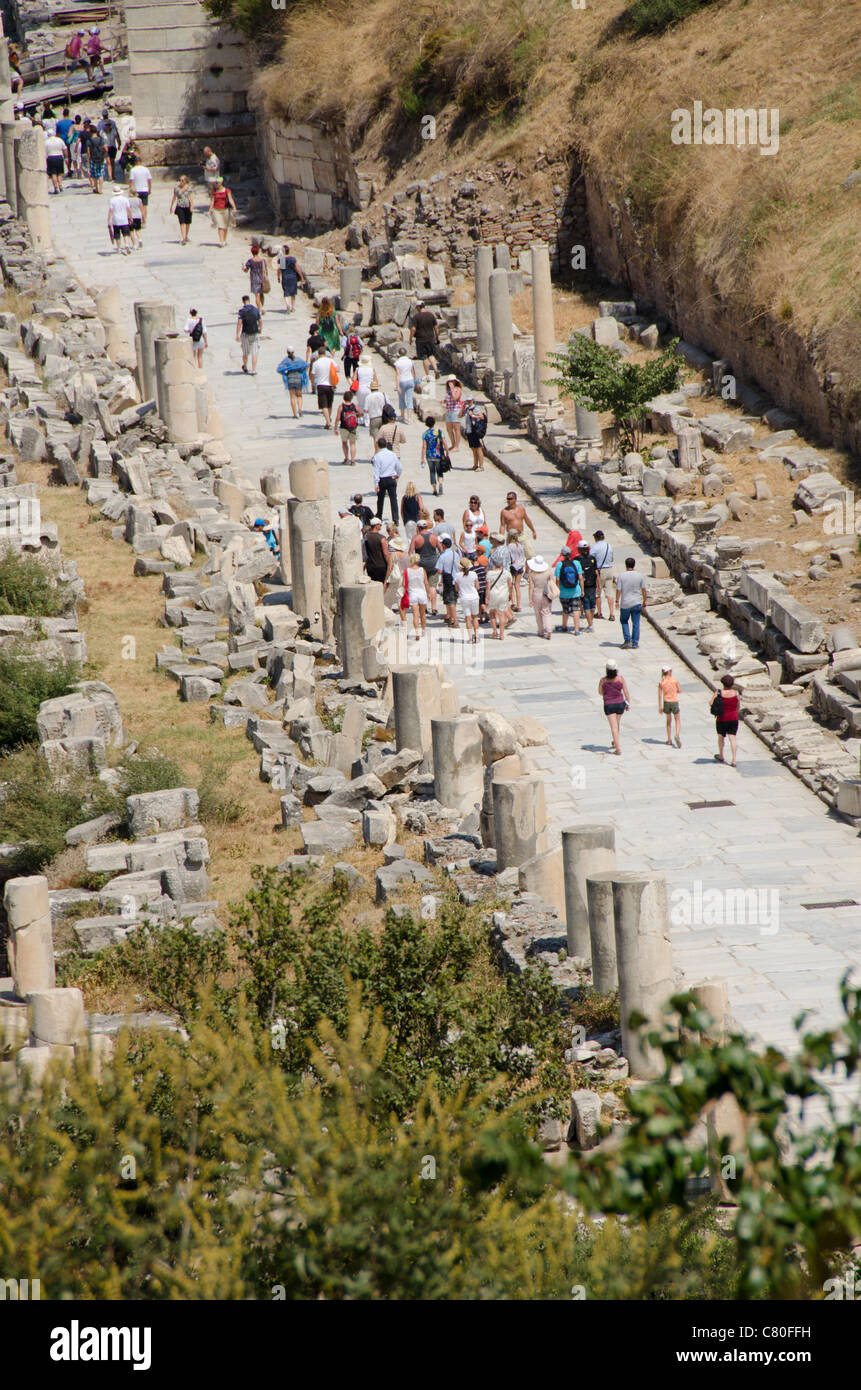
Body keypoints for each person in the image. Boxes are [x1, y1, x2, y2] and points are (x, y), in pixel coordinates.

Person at [410, 519, 441, 616]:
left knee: (423, 586)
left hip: (421, 565)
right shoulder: (434, 537)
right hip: (433, 564)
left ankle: (424, 607)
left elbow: (410, 552)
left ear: (418, 527)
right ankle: (434, 607)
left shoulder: (416, 538)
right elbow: (440, 550)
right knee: (432, 586)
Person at [598, 663, 630, 756]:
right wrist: (628, 703)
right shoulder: (620, 678)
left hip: (609, 704)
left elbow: (600, 692)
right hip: (620, 704)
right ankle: (615, 741)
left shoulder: (603, 680)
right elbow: (626, 693)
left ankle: (618, 748)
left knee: (613, 727)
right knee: (617, 724)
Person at [616, 556, 647, 649]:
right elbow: (643, 589)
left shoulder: (621, 576)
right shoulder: (639, 575)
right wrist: (644, 600)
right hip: (637, 602)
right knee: (636, 623)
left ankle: (627, 639)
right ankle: (635, 643)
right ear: (634, 565)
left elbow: (618, 590)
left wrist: (617, 600)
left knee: (624, 621)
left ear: (626, 565)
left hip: (625, 603)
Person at [486, 539, 513, 641]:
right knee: (501, 614)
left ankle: (494, 632)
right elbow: (510, 585)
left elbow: (488, 587)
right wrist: (510, 595)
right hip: (503, 595)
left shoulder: (490, 573)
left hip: (493, 594)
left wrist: (487, 598)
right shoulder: (506, 573)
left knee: (492, 613)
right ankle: (502, 634)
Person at [500, 490, 537, 560]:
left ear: (515, 499)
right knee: (511, 557)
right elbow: (502, 525)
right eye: (507, 499)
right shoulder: (504, 512)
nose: (508, 500)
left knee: (530, 555)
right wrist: (501, 537)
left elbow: (527, 520)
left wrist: (533, 531)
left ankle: (528, 570)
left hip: (521, 535)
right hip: (511, 537)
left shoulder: (521, 509)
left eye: (510, 499)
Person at [554, 545, 582, 634]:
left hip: (563, 591)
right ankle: (577, 630)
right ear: (571, 554)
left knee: (565, 609)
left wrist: (557, 590)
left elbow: (557, 579)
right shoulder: (576, 563)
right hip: (575, 591)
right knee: (576, 609)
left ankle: (564, 626)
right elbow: (580, 577)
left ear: (562, 554)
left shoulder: (559, 564)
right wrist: (583, 590)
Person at [713, 674, 739, 768]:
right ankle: (734, 759)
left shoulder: (719, 692)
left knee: (721, 737)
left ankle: (721, 755)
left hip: (722, 719)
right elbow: (738, 706)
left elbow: (711, 703)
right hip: (733, 718)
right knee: (732, 738)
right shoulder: (736, 693)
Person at [373, 438, 402, 523]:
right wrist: (398, 475)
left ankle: (379, 515)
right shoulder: (392, 454)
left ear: (378, 445)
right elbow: (399, 467)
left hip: (382, 479)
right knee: (393, 499)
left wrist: (376, 483)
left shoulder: (377, 456)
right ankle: (395, 518)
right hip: (391, 478)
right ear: (386, 444)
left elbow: (376, 471)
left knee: (380, 499)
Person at [436, 535, 461, 629]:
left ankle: (455, 621)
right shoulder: (456, 554)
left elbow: (439, 570)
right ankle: (450, 617)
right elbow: (460, 566)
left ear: (443, 545)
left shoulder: (443, 556)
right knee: (452, 599)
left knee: (450, 601)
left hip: (448, 580)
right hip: (456, 579)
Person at [409, 300, 439, 379]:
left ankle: (428, 375)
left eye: (416, 307)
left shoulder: (416, 317)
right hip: (430, 339)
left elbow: (413, 329)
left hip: (420, 340)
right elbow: (436, 328)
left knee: (424, 358)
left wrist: (410, 338)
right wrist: (437, 337)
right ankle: (436, 369)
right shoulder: (431, 315)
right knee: (431, 355)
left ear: (418, 307)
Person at [527, 555, 554, 640]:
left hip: (536, 594)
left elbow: (531, 587)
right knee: (547, 612)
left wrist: (530, 599)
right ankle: (549, 630)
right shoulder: (548, 572)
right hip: (547, 594)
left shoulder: (532, 574)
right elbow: (552, 582)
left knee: (538, 613)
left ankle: (541, 631)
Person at [276, 347, 308, 418]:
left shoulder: (285, 360)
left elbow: (279, 369)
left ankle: (294, 414)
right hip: (298, 378)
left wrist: (285, 373)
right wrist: (302, 372)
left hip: (290, 378)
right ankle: (300, 409)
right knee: (299, 396)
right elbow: (306, 365)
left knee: (292, 397)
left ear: (287, 352)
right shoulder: (298, 360)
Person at [455, 558, 480, 643]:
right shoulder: (473, 574)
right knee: (475, 617)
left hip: (464, 598)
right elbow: (477, 587)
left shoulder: (457, 575)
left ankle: (470, 638)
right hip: (474, 597)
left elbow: (457, 589)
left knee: (468, 618)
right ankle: (477, 636)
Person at [310, 348, 337, 427]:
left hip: (321, 385)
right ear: (325, 353)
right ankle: (329, 419)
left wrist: (312, 383)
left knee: (324, 405)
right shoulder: (330, 361)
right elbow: (337, 368)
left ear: (318, 354)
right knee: (329, 404)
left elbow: (312, 375)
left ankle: (328, 422)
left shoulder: (316, 363)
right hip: (330, 385)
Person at [592, 530, 616, 620]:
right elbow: (612, 559)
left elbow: (591, 559)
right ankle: (611, 614)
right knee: (609, 592)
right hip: (609, 570)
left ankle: (599, 612)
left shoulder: (595, 548)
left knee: (598, 592)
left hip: (600, 571)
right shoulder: (608, 546)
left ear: (596, 538)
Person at [405, 551, 429, 638]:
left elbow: (405, 584)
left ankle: (416, 633)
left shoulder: (407, 570)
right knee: (422, 614)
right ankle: (423, 630)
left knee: (415, 615)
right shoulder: (422, 570)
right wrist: (429, 593)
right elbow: (426, 583)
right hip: (422, 593)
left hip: (412, 593)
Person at [420, 415, 446, 496]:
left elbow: (424, 446)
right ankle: (440, 484)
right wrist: (447, 451)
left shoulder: (425, 434)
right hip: (438, 454)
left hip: (429, 455)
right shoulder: (439, 431)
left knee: (432, 472)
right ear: (434, 423)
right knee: (439, 471)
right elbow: (444, 442)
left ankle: (434, 489)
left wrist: (422, 458)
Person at [333, 390, 360, 465]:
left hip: (344, 427)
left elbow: (338, 418)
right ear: (351, 398)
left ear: (343, 397)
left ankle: (346, 458)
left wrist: (335, 428)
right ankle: (353, 461)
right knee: (352, 444)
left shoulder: (341, 406)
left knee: (344, 443)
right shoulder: (355, 406)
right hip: (353, 427)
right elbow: (360, 414)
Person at [236, 295, 261, 374]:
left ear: (243, 301)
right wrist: (260, 329)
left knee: (245, 352)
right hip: (254, 333)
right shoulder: (255, 310)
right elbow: (260, 321)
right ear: (249, 300)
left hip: (245, 334)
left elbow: (239, 324)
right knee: (255, 352)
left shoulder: (242, 311)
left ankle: (245, 366)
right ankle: (253, 370)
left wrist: (237, 334)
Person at [277, 243, 305, 312]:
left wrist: (278, 277)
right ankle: (292, 307)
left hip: (285, 277)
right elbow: (297, 268)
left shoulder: (282, 260)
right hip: (293, 277)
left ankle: (287, 305)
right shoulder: (293, 259)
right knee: (293, 293)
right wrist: (301, 277)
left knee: (286, 292)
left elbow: (280, 269)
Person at [658, 665, 682, 748]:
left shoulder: (661, 682)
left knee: (668, 721)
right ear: (669, 672)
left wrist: (660, 707)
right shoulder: (674, 680)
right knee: (677, 719)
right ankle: (677, 735)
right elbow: (679, 690)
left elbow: (659, 695)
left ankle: (669, 740)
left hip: (666, 702)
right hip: (674, 701)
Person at [363, 517, 391, 586]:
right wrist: (390, 564)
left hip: (370, 566)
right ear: (376, 526)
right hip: (381, 566)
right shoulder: (382, 538)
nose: (381, 526)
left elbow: (365, 551)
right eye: (380, 525)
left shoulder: (366, 536)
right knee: (381, 586)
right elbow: (386, 554)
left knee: (372, 586)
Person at [577, 542, 598, 633]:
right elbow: (596, 572)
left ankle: (590, 625)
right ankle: (591, 622)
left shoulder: (577, 560)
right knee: (592, 605)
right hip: (593, 584)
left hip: (583, 586)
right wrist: (599, 585)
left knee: (586, 605)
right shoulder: (592, 558)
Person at [209, 176, 236, 246]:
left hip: (225, 209)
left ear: (221, 183)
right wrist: (210, 209)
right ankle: (221, 241)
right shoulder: (214, 192)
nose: (217, 184)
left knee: (225, 226)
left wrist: (234, 207)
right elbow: (212, 201)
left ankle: (224, 240)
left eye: (218, 183)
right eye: (216, 183)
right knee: (220, 225)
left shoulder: (227, 190)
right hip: (216, 210)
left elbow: (230, 199)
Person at [462, 398, 487, 470]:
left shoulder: (475, 409)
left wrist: (472, 415)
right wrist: (463, 406)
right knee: (473, 449)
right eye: (467, 400)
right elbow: (460, 415)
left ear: (473, 400)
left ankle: (481, 466)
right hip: (469, 431)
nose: (469, 401)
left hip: (474, 431)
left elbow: (482, 417)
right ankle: (475, 465)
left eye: (470, 400)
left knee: (478, 448)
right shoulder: (467, 409)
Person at [107, 184, 132, 254]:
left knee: (117, 235)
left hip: (116, 220)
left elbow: (111, 211)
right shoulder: (125, 199)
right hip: (124, 219)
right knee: (126, 234)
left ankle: (119, 248)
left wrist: (108, 220)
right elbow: (128, 209)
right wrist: (130, 217)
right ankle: (127, 244)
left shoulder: (112, 200)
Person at [243, 243, 267, 314]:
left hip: (254, 279)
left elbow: (246, 270)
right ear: (258, 252)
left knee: (257, 295)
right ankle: (262, 307)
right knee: (262, 294)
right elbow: (265, 270)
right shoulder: (262, 260)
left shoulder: (250, 261)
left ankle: (259, 309)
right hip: (261, 279)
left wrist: (243, 269)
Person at [127, 158, 152, 225]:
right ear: (141, 162)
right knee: (144, 206)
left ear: (135, 162)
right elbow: (149, 180)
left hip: (137, 191)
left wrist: (130, 190)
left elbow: (131, 181)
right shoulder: (146, 169)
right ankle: (144, 221)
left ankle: (138, 219)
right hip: (145, 190)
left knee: (137, 206)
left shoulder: (133, 170)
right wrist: (149, 189)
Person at [394, 350, 416, 422]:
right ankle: (409, 418)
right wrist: (414, 381)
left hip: (402, 381)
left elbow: (398, 374)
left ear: (399, 354)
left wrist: (397, 386)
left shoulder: (398, 363)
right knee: (409, 399)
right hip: (410, 380)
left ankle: (402, 415)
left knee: (401, 399)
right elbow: (413, 372)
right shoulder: (410, 361)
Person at [170, 174, 193, 244]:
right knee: (182, 222)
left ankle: (186, 236)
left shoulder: (189, 188)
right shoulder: (176, 188)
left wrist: (192, 206)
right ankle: (183, 238)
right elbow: (174, 197)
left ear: (186, 181)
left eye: (182, 180)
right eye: (180, 180)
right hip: (180, 206)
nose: (181, 182)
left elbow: (191, 197)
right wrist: (171, 206)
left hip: (187, 206)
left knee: (188, 222)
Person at [443, 376, 464, 452]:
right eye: (449, 381)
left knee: (456, 429)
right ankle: (453, 444)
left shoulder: (457, 389)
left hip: (456, 410)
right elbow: (448, 399)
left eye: (452, 381)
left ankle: (457, 446)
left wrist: (452, 389)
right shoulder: (448, 390)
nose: (450, 383)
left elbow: (455, 398)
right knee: (449, 429)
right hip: (449, 411)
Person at [98, 110, 120, 179]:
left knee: (112, 161)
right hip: (106, 147)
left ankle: (112, 175)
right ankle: (110, 176)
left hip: (112, 146)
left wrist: (119, 144)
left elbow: (117, 136)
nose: (107, 126)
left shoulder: (111, 125)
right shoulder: (102, 130)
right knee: (108, 161)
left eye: (108, 125)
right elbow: (99, 137)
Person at [507, 531, 525, 612]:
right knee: (517, 586)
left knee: (510, 585)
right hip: (520, 566)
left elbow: (510, 557)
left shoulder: (510, 546)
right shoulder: (520, 545)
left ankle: (513, 603)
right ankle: (518, 605)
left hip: (513, 566)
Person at [87, 126, 106, 193]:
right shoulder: (101, 140)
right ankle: (101, 190)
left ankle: (96, 188)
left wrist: (89, 160)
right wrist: (104, 156)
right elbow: (106, 149)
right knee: (101, 174)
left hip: (93, 159)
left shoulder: (89, 141)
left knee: (94, 175)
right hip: (101, 159)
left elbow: (88, 152)